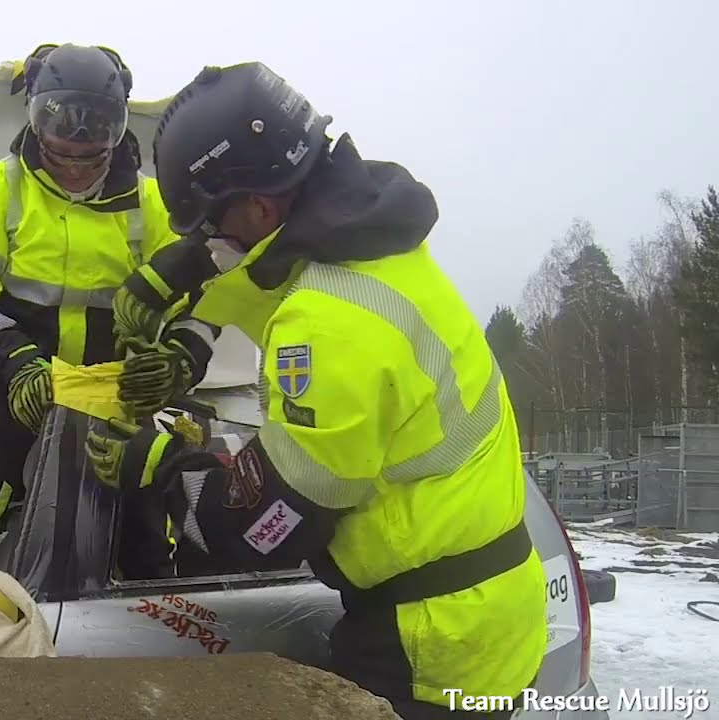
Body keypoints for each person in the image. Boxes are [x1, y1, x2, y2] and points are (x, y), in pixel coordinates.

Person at [86, 62, 548, 720]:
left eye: (211, 227)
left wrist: (161, 470)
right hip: (478, 608)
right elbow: (269, 271)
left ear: (262, 205)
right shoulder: (369, 250)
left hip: (434, 643)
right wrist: (180, 272)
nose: (210, 246)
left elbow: (267, 528)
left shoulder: (329, 323)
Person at [0, 43, 181, 589]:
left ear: (119, 129)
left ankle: (163, 658)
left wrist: (165, 361)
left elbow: (188, 301)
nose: (76, 155)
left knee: (146, 538)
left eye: (95, 136)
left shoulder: (153, 205)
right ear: (35, 118)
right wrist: (20, 364)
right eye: (62, 137)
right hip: (15, 383)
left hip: (112, 388)